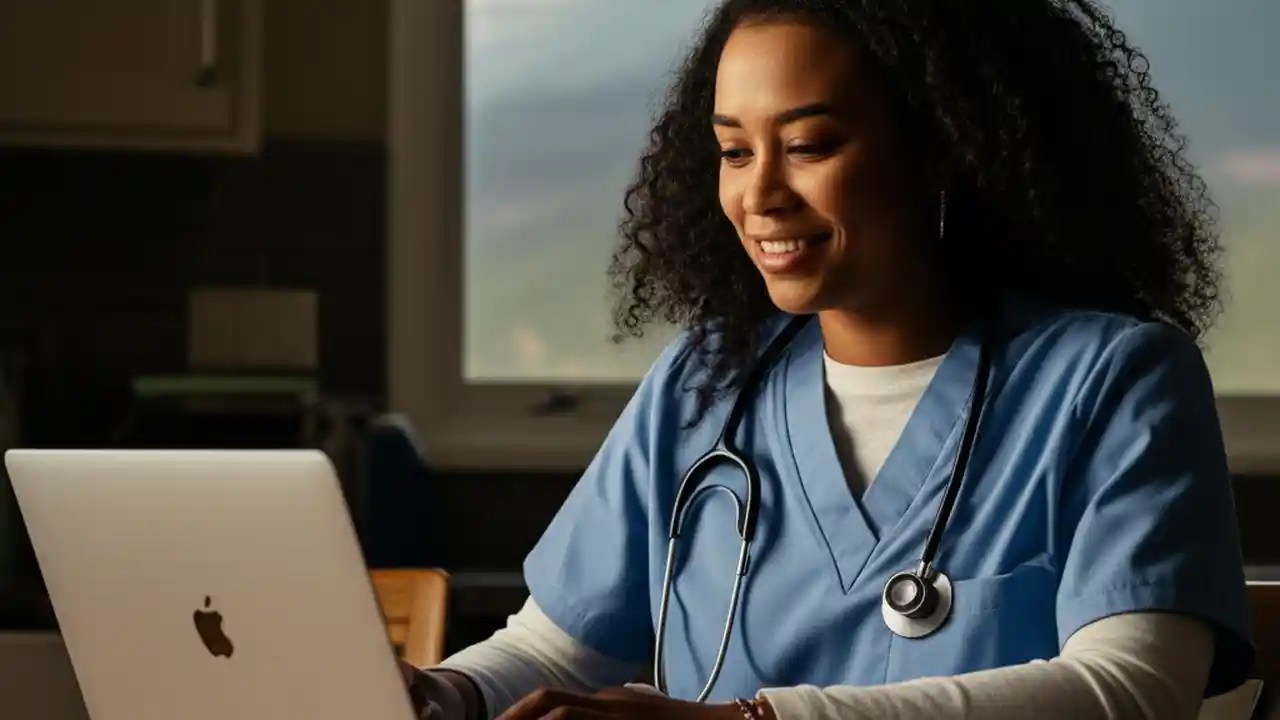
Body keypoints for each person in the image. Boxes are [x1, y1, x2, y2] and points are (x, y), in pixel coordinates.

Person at [403, 0, 1254, 717]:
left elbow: (1134, 689)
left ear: (942, 147)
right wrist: (442, 696)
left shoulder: (1116, 379)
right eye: (735, 151)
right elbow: (561, 647)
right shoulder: (707, 381)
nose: (759, 195)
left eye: (808, 146)